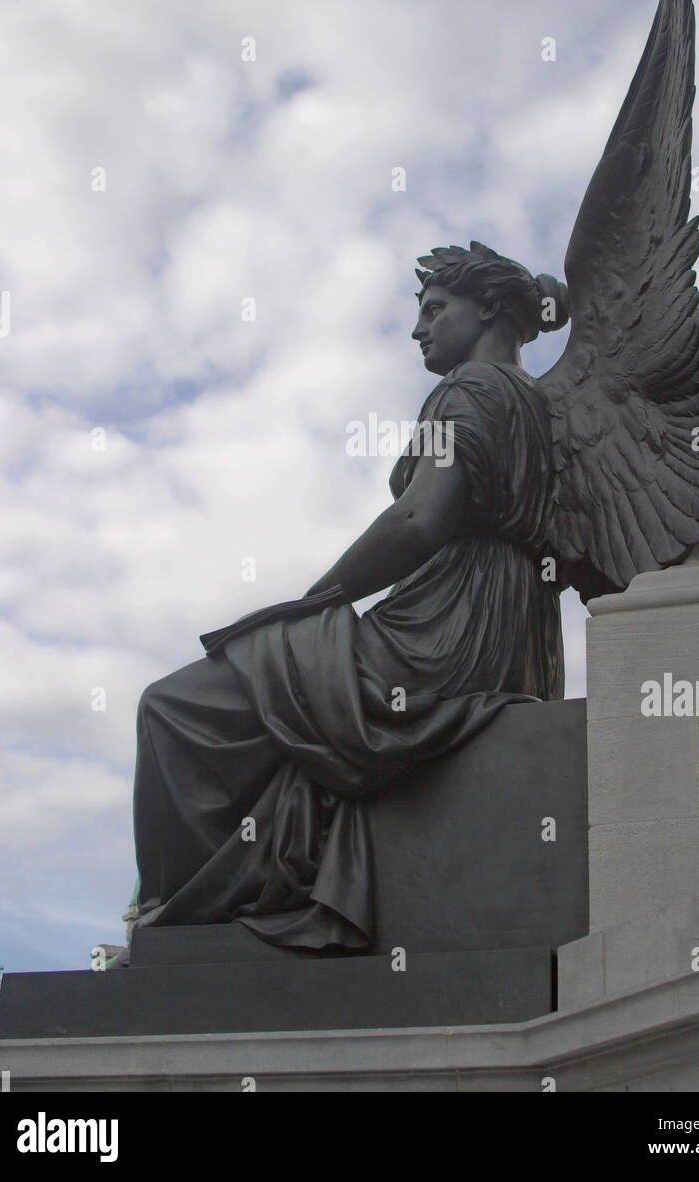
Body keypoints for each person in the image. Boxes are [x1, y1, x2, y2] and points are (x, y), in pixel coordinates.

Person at [133, 245, 568, 951]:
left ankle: (182, 922)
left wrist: (311, 606)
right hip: (506, 629)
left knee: (173, 707)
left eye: (434, 311)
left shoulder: (474, 388)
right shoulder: (544, 407)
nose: (417, 330)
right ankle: (245, 898)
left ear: (487, 308)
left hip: (439, 631)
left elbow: (417, 519)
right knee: (273, 708)